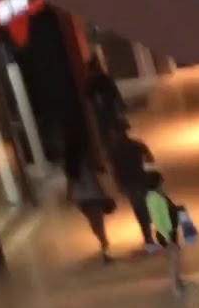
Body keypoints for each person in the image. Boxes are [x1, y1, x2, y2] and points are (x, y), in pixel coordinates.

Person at [64, 124, 113, 263]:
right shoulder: (88, 157)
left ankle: (103, 242)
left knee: (93, 222)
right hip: (93, 192)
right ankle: (104, 244)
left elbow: (71, 180)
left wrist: (68, 196)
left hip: (81, 196)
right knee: (98, 221)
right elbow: (102, 170)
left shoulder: (70, 163)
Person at [109, 123, 159, 252]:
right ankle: (150, 230)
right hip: (142, 179)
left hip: (129, 183)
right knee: (146, 206)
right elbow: (150, 160)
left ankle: (147, 235)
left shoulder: (114, 151)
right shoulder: (137, 145)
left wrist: (118, 184)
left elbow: (114, 170)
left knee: (139, 209)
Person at [144, 169, 186, 295]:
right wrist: (167, 239)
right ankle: (175, 285)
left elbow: (168, 209)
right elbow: (158, 219)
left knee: (175, 258)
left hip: (170, 231)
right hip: (166, 233)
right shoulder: (154, 199)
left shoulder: (157, 196)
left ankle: (178, 281)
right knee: (174, 260)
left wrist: (177, 208)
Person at [86, 57, 126, 147]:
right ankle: (119, 144)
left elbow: (87, 94)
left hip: (103, 109)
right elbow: (115, 91)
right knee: (114, 127)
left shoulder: (93, 80)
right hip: (108, 107)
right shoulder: (103, 77)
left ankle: (113, 146)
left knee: (107, 130)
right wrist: (121, 104)